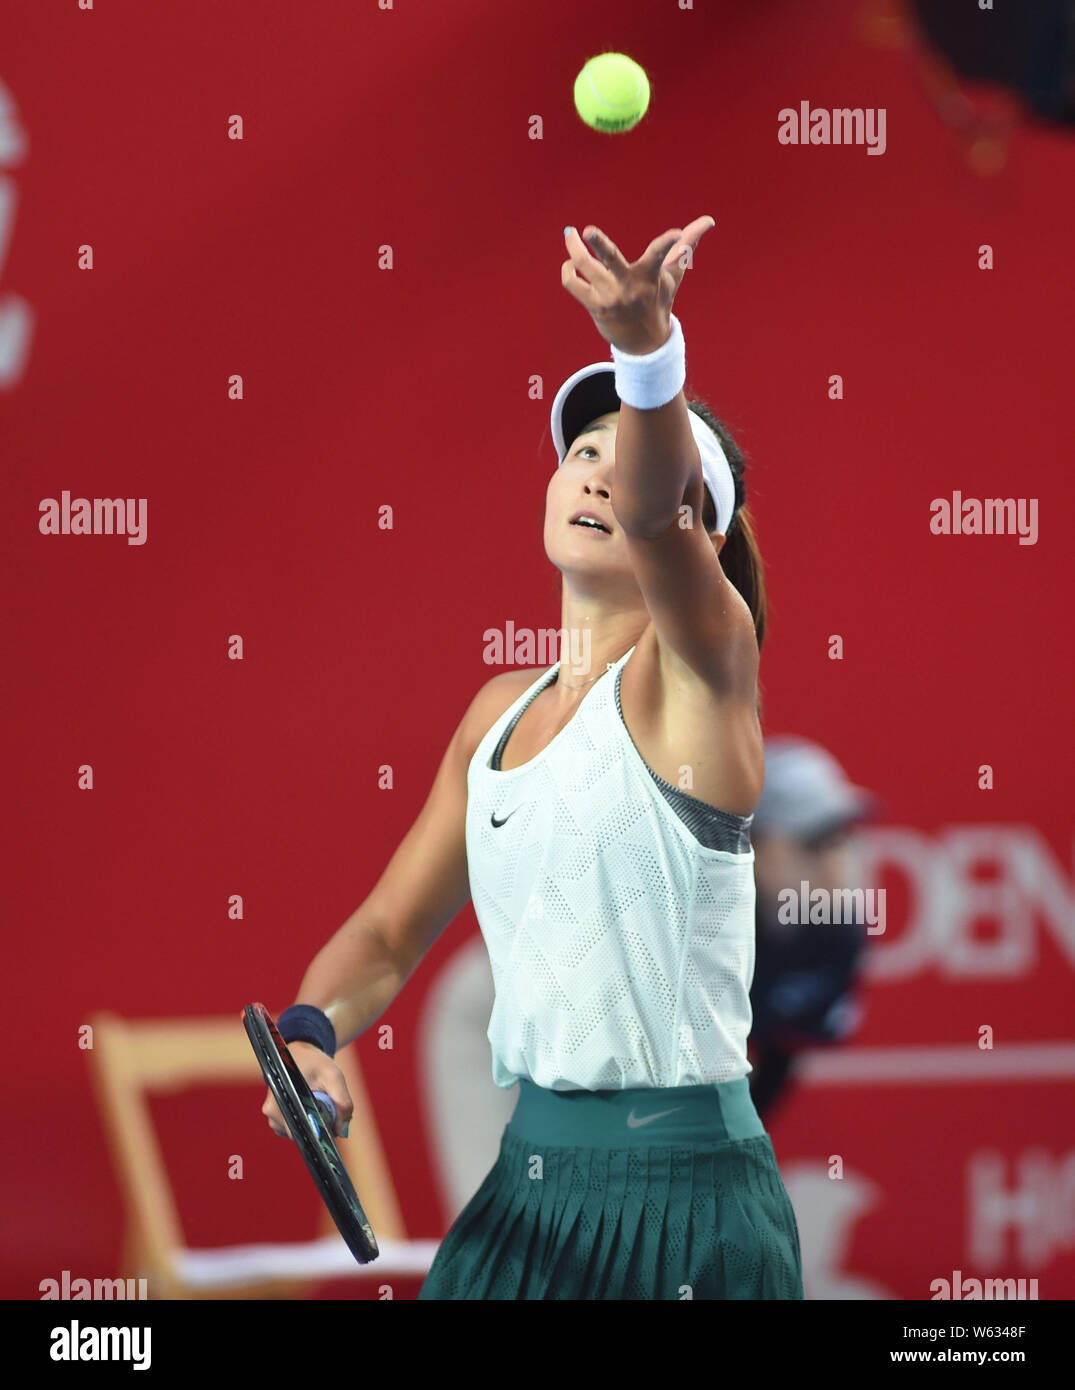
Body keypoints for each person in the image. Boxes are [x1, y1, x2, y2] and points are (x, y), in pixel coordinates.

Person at [260, 217, 803, 1299]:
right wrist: (311, 1036)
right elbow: (381, 934)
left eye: (633, 459)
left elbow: (656, 519)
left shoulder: (703, 674)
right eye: (581, 453)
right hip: (525, 1193)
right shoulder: (497, 715)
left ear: (694, 529)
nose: (599, 475)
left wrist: (648, 353)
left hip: (689, 1204)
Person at [748, 737, 879, 1120]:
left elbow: (783, 1047)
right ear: (750, 848)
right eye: (814, 842)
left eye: (843, 838)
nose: (837, 862)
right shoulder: (683, 935)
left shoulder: (838, 932)